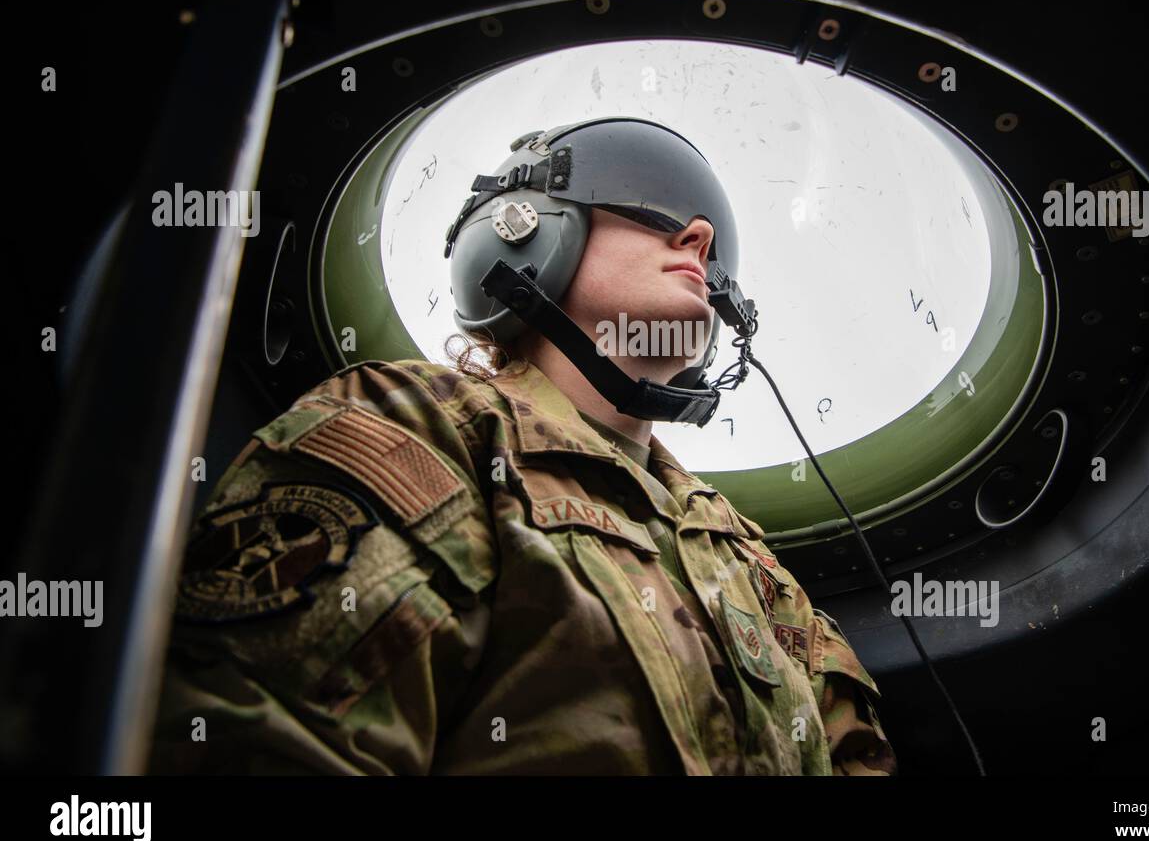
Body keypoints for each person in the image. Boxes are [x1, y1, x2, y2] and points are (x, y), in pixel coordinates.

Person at [147, 118, 898, 775]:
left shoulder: (752, 562)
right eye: (649, 196)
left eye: (709, 240)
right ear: (524, 223)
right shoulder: (422, 427)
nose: (699, 238)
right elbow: (255, 734)